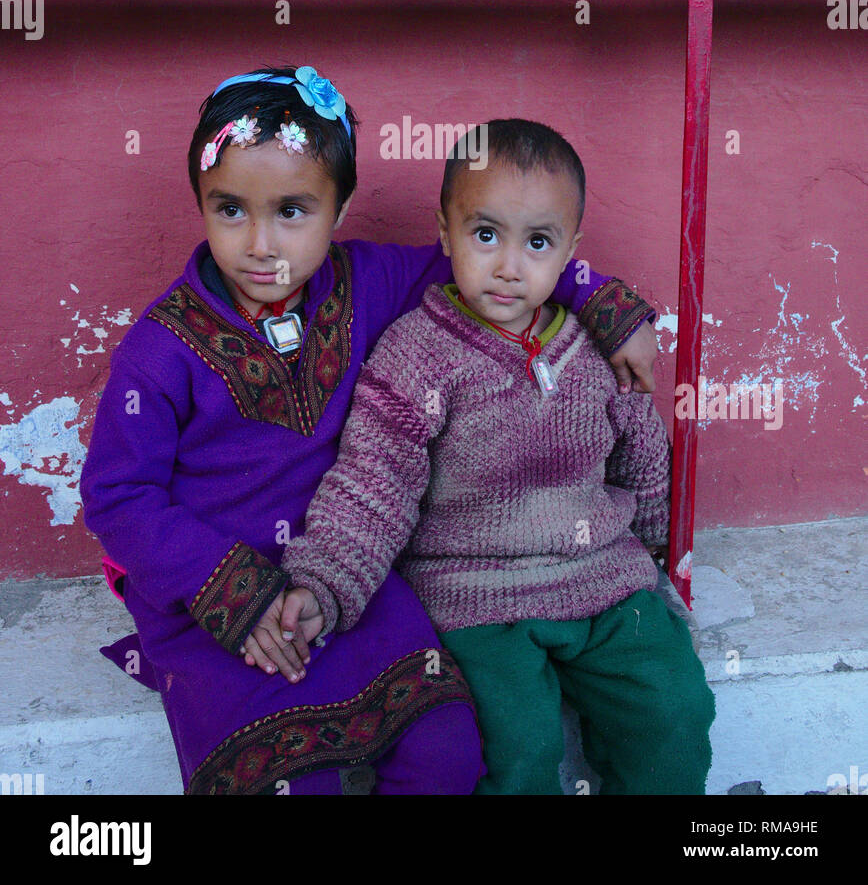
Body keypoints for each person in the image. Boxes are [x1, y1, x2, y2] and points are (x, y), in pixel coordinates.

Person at [80, 69, 659, 796]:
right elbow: (116, 496)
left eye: (292, 210)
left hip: (351, 568)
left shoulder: (369, 283)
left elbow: (499, 267)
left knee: (447, 752)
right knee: (286, 781)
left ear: (340, 207)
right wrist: (233, 592)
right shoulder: (159, 350)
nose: (260, 243)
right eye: (230, 209)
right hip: (214, 596)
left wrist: (608, 308)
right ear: (201, 205)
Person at [275, 118, 716, 795]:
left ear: (571, 249)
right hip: (474, 598)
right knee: (515, 745)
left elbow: (643, 459)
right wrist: (324, 585)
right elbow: (372, 485)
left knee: (674, 709)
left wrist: (660, 553)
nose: (510, 267)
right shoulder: (417, 355)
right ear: (446, 232)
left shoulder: (598, 349)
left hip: (602, 576)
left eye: (538, 242)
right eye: (486, 235)